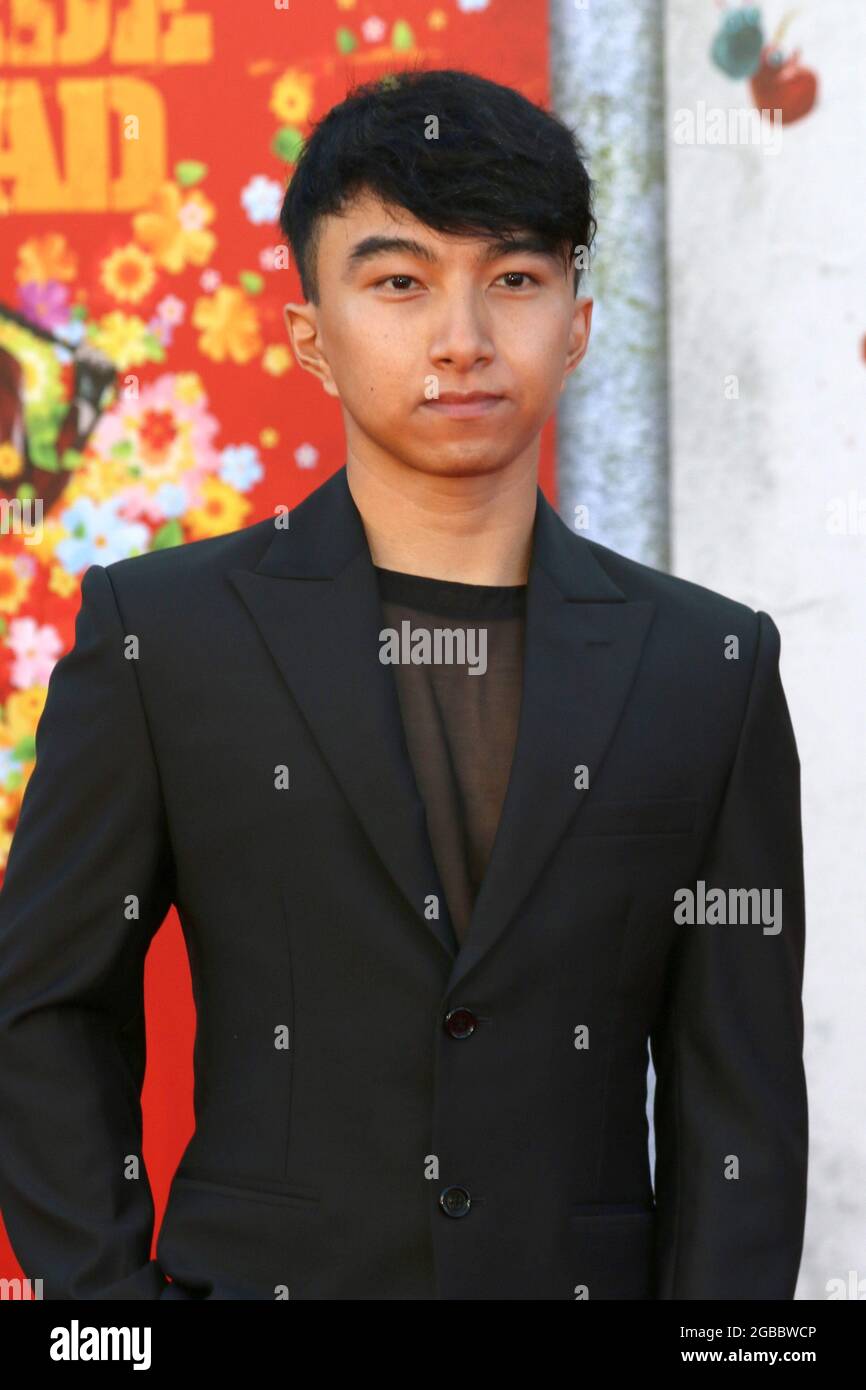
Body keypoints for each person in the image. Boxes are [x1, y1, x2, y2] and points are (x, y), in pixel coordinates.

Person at [0, 67, 807, 1300]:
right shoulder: (162, 634)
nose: (461, 339)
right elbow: (43, 1011)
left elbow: (738, 1097)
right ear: (307, 334)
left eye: (515, 279)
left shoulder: (707, 664)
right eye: (399, 281)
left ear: (576, 322)